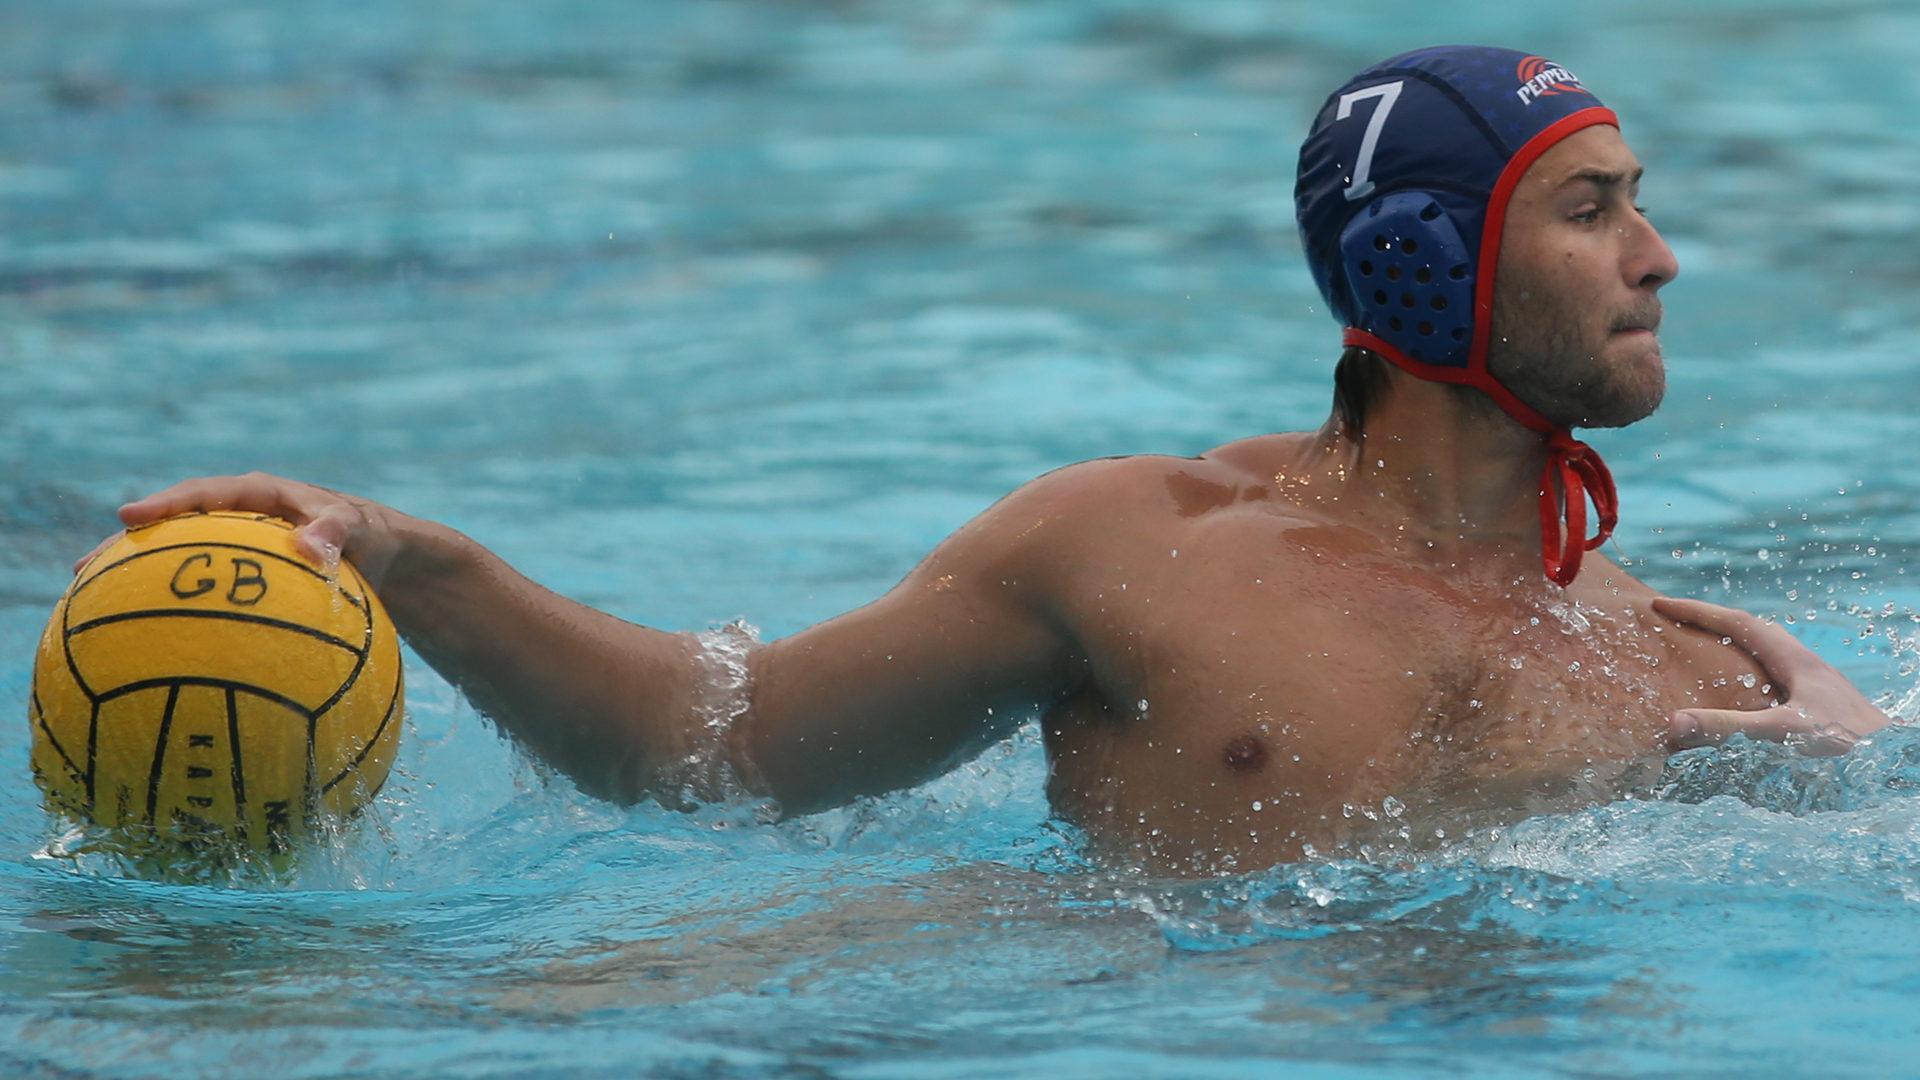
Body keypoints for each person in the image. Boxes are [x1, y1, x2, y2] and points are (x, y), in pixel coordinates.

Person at [96, 46, 1889, 873]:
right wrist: (425, 564)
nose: (1659, 259)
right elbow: (710, 752)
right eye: (1594, 209)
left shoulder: (1671, 655)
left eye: (1641, 207)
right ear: (1423, 263)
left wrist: (1851, 763)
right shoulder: (1141, 547)